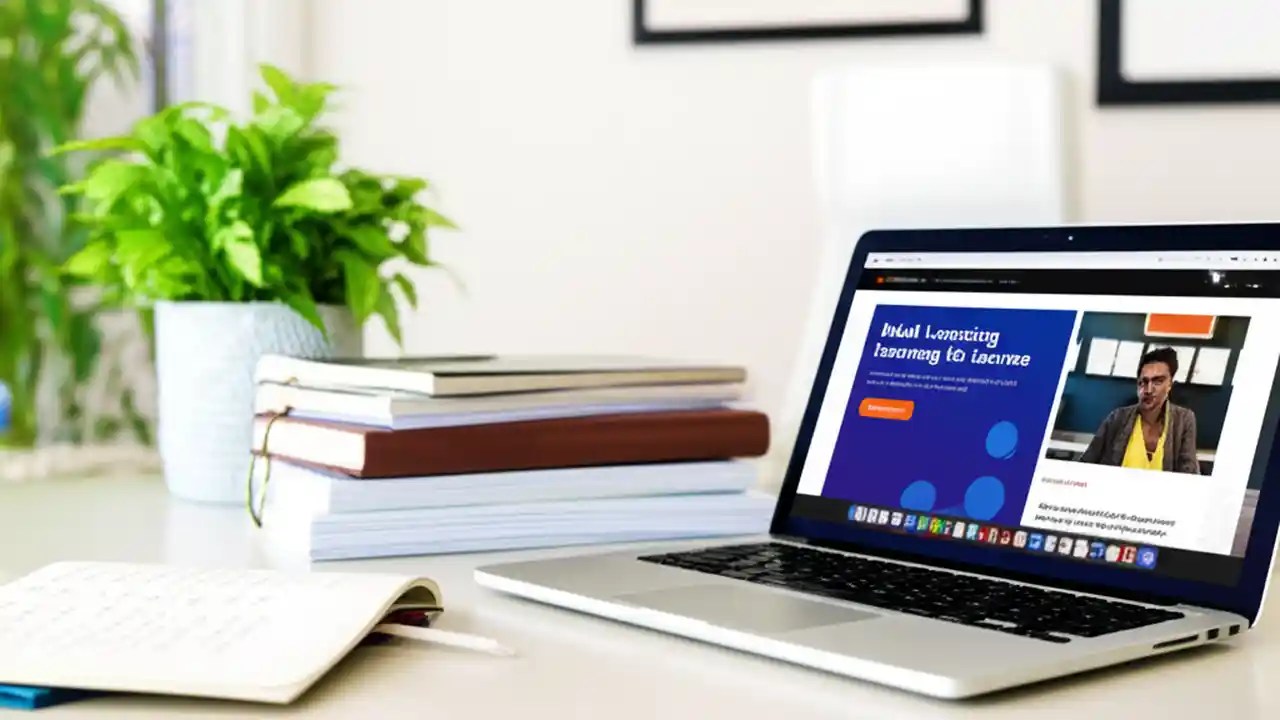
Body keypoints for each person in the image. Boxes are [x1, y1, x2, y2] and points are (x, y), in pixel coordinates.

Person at [1078, 347, 1200, 474]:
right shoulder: (1117, 418)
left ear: (1170, 385)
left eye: (1158, 381)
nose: (1148, 390)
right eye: (1144, 382)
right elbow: (1085, 464)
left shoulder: (1183, 419)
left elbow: (1189, 473)